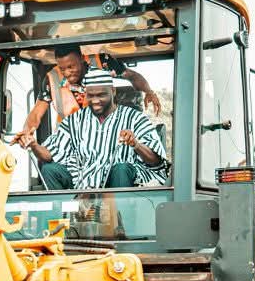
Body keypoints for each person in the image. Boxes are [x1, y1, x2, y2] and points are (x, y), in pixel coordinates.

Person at [18, 69, 168, 191]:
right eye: (91, 95)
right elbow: (50, 154)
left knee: (121, 169)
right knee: (49, 169)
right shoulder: (73, 120)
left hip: (119, 185)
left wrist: (136, 144)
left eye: (101, 95)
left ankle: (121, 224)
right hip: (80, 185)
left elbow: (155, 161)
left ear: (113, 91)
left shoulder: (135, 118)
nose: (95, 101)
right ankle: (62, 222)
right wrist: (34, 145)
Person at [18, 46, 162, 138]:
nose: (67, 73)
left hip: (105, 136)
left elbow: (132, 76)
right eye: (62, 68)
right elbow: (37, 112)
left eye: (71, 66)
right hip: (70, 139)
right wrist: (26, 131)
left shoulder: (103, 63)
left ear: (81, 58)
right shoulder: (52, 79)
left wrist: (149, 91)